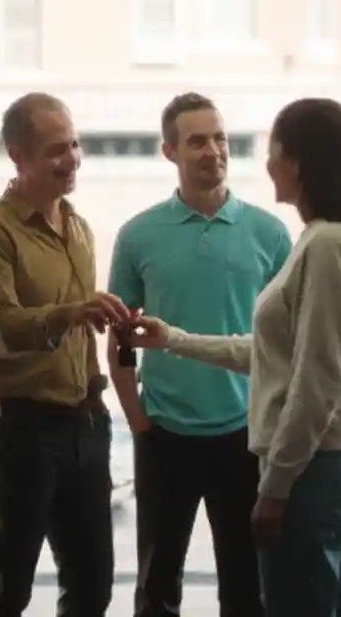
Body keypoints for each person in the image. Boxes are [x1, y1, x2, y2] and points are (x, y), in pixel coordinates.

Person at [124, 97, 341, 617]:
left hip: (310, 469)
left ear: (301, 161)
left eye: (275, 150)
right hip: (309, 466)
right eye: (199, 140)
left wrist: (277, 485)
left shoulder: (326, 245)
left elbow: (316, 383)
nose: (265, 162)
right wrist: (172, 339)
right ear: (170, 152)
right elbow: (275, 354)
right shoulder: (325, 239)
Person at [106, 92, 290, 617]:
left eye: (219, 138)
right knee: (157, 590)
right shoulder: (139, 235)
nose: (212, 151)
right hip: (164, 434)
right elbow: (119, 336)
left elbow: (288, 341)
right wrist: (138, 421)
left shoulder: (269, 233)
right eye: (196, 142)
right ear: (170, 152)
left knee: (246, 588)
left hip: (245, 436)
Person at [0, 92, 132, 617]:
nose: (71, 159)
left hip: (86, 426)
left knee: (93, 589)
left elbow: (81, 327)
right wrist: (70, 313)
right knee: (8, 591)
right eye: (56, 149)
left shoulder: (78, 227)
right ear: (18, 155)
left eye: (74, 145)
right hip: (20, 432)